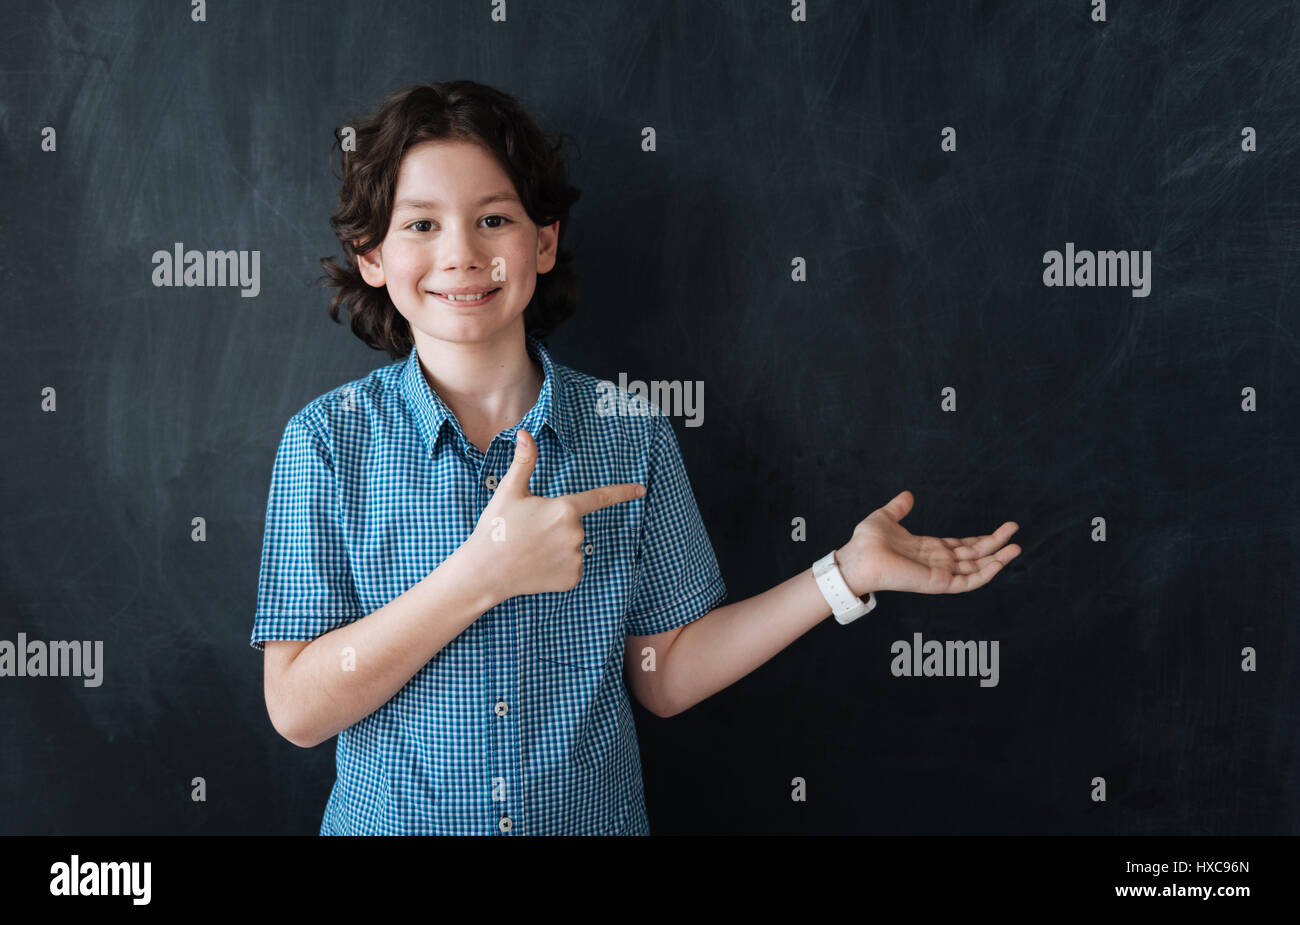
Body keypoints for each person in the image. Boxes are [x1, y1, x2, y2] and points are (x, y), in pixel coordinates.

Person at [249, 80, 1022, 835]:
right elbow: (297, 709)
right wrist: (481, 574)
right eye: (420, 225)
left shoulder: (630, 431)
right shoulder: (326, 442)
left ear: (543, 241)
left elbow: (666, 675)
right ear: (371, 254)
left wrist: (842, 576)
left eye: (493, 218)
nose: (460, 253)